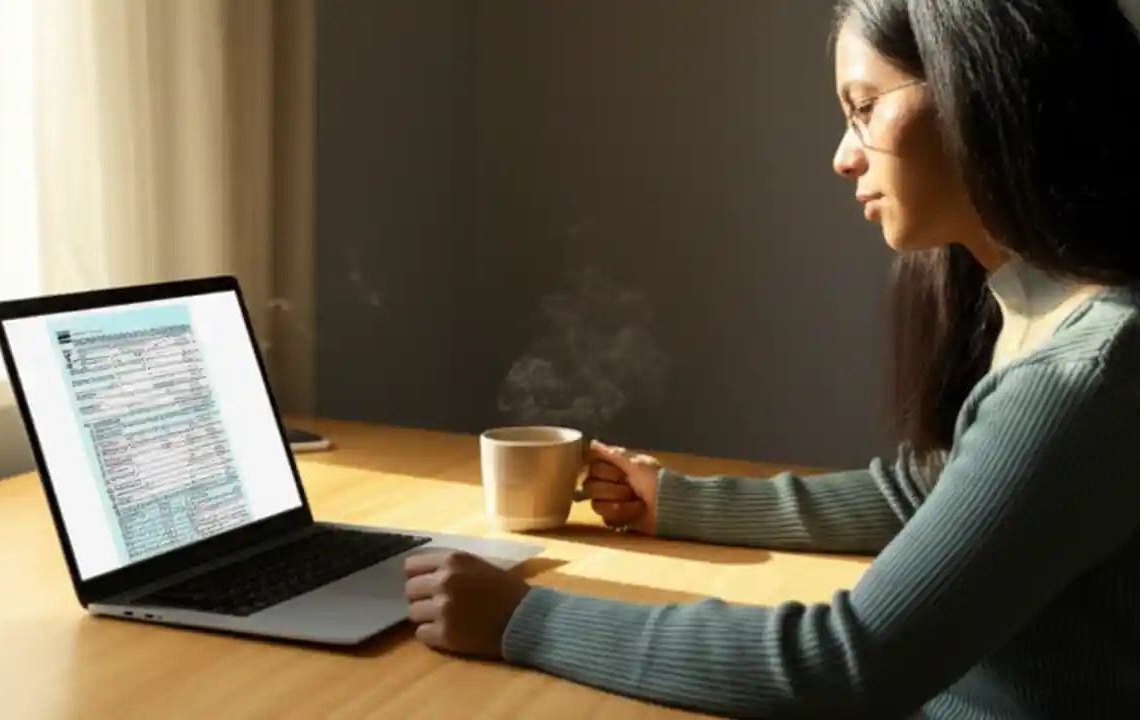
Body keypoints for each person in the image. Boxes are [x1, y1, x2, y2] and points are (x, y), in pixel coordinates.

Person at [402, 0, 1140, 716]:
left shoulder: (1085, 378)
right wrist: (681, 500)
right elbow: (925, 495)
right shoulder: (1049, 314)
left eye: (864, 108)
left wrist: (524, 620)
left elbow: (845, 664)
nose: (843, 156)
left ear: (981, 86)